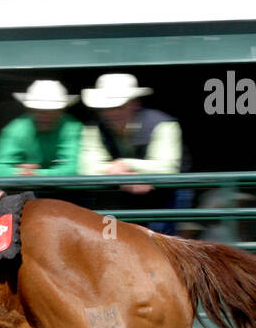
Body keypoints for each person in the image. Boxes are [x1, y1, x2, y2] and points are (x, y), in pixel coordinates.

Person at [78, 73, 186, 233]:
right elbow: (86, 170)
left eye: (117, 106)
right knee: (113, 244)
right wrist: (122, 177)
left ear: (135, 104)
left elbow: (167, 168)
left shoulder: (163, 124)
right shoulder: (93, 128)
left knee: (161, 248)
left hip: (164, 196)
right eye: (104, 108)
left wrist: (123, 165)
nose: (110, 113)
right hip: (116, 196)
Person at [0, 79, 83, 178]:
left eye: (51, 110)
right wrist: (24, 174)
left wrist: (34, 174)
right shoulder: (16, 129)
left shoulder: (72, 127)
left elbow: (74, 170)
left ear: (62, 111)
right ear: (29, 110)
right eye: (38, 110)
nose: (44, 115)